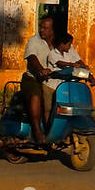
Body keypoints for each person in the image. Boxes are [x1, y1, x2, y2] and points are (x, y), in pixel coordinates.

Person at [21, 14, 55, 143]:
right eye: (41, 27)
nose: (42, 30)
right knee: (36, 96)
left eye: (46, 28)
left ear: (53, 30)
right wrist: (40, 70)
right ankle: (37, 131)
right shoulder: (34, 41)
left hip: (54, 80)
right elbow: (32, 58)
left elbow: (72, 56)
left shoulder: (61, 42)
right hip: (33, 78)